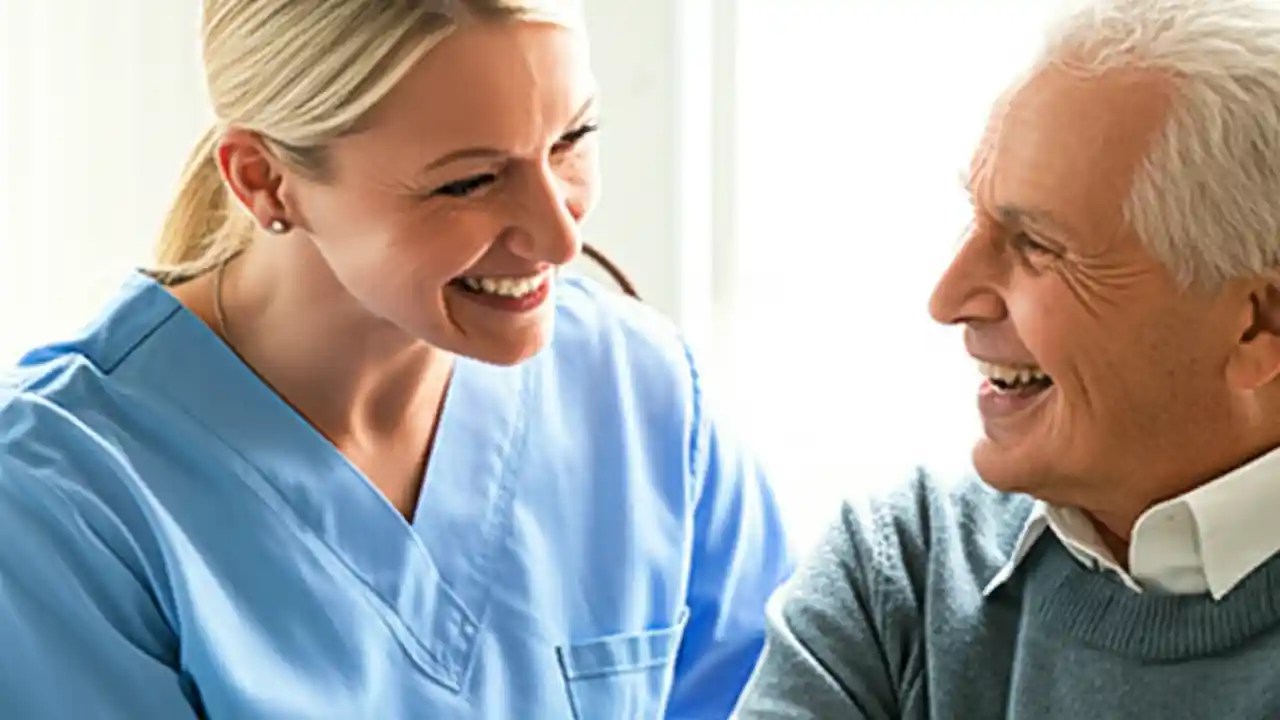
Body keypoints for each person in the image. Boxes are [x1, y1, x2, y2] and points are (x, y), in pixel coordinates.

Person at [0, 2, 793, 718]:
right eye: (470, 182)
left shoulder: (642, 394)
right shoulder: (60, 501)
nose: (560, 238)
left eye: (571, 141)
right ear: (264, 180)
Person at [734, 0, 1280, 717]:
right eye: (978, 219)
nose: (949, 298)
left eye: (1037, 246)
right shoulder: (901, 570)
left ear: (1258, 325)